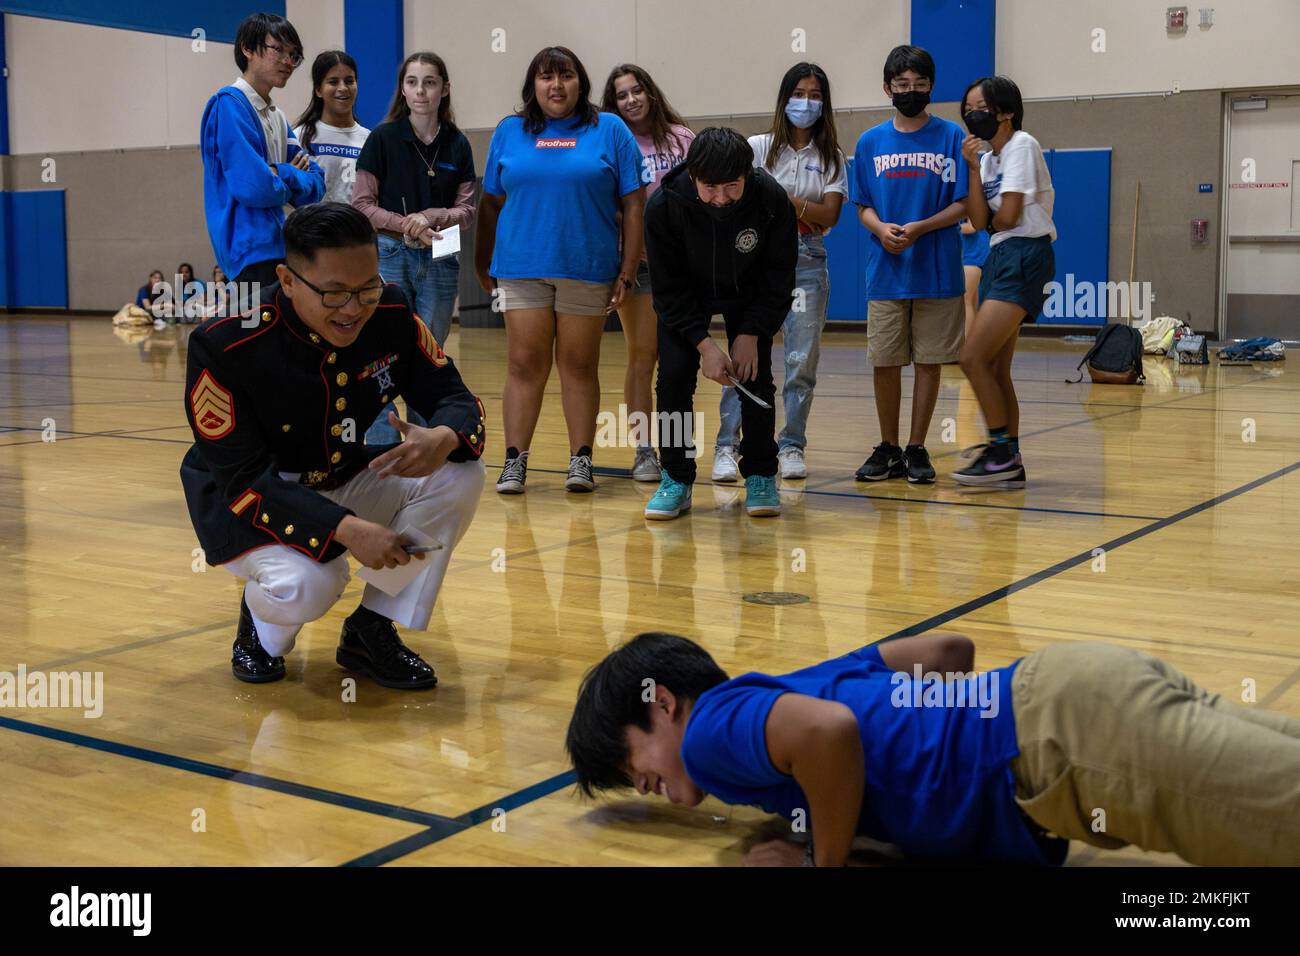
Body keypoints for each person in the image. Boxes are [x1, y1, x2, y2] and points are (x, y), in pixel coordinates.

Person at [566, 631, 1300, 866]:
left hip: (1065, 745)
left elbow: (830, 737)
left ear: (659, 703)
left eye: (630, 765)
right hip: (1070, 690)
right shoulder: (789, 686)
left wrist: (827, 860)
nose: (642, 786)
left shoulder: (714, 736)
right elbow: (951, 650)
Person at [179, 202, 486, 688]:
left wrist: (445, 435)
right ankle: (259, 629)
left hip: (339, 471)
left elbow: (452, 394)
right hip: (251, 500)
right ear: (288, 280)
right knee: (312, 584)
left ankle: (371, 628)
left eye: (366, 287)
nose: (353, 308)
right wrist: (347, 530)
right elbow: (242, 481)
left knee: (461, 474)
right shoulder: (226, 344)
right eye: (335, 293)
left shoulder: (390, 310)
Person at [475, 46, 645, 495]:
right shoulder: (510, 132)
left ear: (580, 82)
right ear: (532, 85)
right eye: (546, 77)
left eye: (565, 76)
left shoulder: (609, 129)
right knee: (524, 363)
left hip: (587, 267)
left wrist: (626, 270)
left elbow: (633, 204)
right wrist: (482, 261)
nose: (556, 85)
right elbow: (490, 203)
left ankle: (581, 460)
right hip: (521, 267)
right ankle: (515, 461)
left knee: (578, 365)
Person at [641, 127, 797, 520]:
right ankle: (676, 476)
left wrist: (752, 331)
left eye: (732, 186)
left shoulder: (771, 200)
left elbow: (778, 278)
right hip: (687, 294)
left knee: (755, 378)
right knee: (674, 379)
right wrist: (704, 344)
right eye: (710, 187)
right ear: (693, 176)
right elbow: (668, 292)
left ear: (748, 175)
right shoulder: (663, 206)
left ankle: (761, 472)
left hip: (747, 293)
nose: (722, 198)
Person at [713, 63, 846, 483]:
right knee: (745, 355)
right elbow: (739, 205)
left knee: (800, 360)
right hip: (753, 259)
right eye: (799, 93)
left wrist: (782, 199)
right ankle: (726, 446)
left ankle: (791, 445)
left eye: (814, 94)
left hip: (807, 258)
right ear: (784, 97)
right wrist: (804, 208)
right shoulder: (756, 146)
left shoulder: (831, 156)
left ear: (823, 103)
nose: (805, 102)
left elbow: (832, 216)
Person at [849, 45, 967, 485]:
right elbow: (861, 206)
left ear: (931, 87)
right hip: (886, 270)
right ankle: (888, 446)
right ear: (887, 88)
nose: (911, 91)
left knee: (929, 362)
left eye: (919, 85)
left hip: (937, 269)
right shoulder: (870, 142)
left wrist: (920, 228)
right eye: (902, 85)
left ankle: (917, 448)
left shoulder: (952, 136)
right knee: (885, 361)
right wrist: (881, 229)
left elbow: (962, 205)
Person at [352, 51, 476, 447]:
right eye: (412, 82)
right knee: (383, 351)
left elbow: (468, 210)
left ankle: (425, 446)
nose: (420, 91)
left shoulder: (458, 143)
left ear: (445, 89)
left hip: (442, 257)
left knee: (430, 353)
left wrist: (429, 217)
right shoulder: (382, 138)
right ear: (402, 89)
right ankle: (380, 448)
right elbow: (362, 205)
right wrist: (407, 223)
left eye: (430, 82)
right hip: (390, 254)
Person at [953, 76, 1056, 488]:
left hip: (1024, 254)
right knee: (995, 366)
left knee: (971, 358)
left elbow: (1009, 217)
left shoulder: (1022, 145)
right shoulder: (991, 157)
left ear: (1006, 112)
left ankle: (1000, 452)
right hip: (999, 253)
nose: (971, 114)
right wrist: (974, 168)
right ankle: (1007, 455)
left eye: (980, 107)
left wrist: (993, 220)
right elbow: (980, 222)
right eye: (967, 109)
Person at [601, 64, 694, 482]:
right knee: (643, 356)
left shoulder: (682, 138)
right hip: (637, 264)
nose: (631, 100)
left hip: (682, 265)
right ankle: (643, 451)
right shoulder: (612, 141)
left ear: (650, 93)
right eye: (621, 95)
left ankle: (680, 450)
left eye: (636, 91)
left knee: (680, 358)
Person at [200, 12, 324, 297]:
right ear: (247, 48)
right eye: (277, 50)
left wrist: (280, 171)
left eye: (294, 55)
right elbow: (254, 188)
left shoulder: (276, 116)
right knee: (261, 338)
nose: (287, 61)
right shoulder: (229, 105)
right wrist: (291, 174)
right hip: (250, 250)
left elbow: (314, 187)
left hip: (280, 245)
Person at [294, 51, 369, 204]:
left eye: (349, 81)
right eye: (333, 82)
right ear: (318, 90)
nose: (343, 88)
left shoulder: (370, 139)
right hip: (312, 225)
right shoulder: (300, 137)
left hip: (357, 226)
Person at [959, 218, 989, 340]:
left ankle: (966, 344)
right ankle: (972, 342)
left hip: (972, 255)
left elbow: (973, 227)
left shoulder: (970, 199)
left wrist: (947, 227)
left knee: (965, 301)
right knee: (971, 302)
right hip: (972, 254)